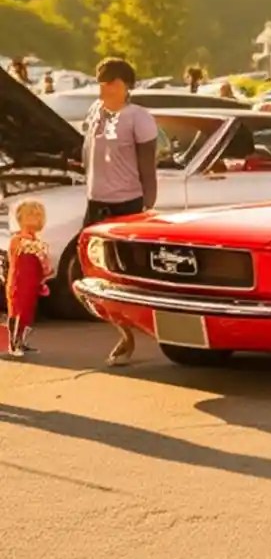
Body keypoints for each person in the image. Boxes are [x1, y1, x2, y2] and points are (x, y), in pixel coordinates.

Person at [85, 58, 159, 365]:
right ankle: (123, 330)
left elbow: (147, 164)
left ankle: (129, 337)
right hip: (96, 200)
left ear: (124, 85)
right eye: (101, 82)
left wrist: (147, 204)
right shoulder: (94, 112)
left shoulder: (138, 118)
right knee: (93, 272)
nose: (104, 88)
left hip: (127, 202)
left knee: (126, 274)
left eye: (110, 82)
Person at [6, 199, 53, 358]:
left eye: (39, 215)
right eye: (32, 214)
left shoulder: (36, 241)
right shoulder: (18, 240)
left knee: (27, 313)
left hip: (32, 283)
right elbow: (22, 252)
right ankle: (14, 343)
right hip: (19, 282)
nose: (36, 218)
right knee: (18, 312)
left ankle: (22, 341)